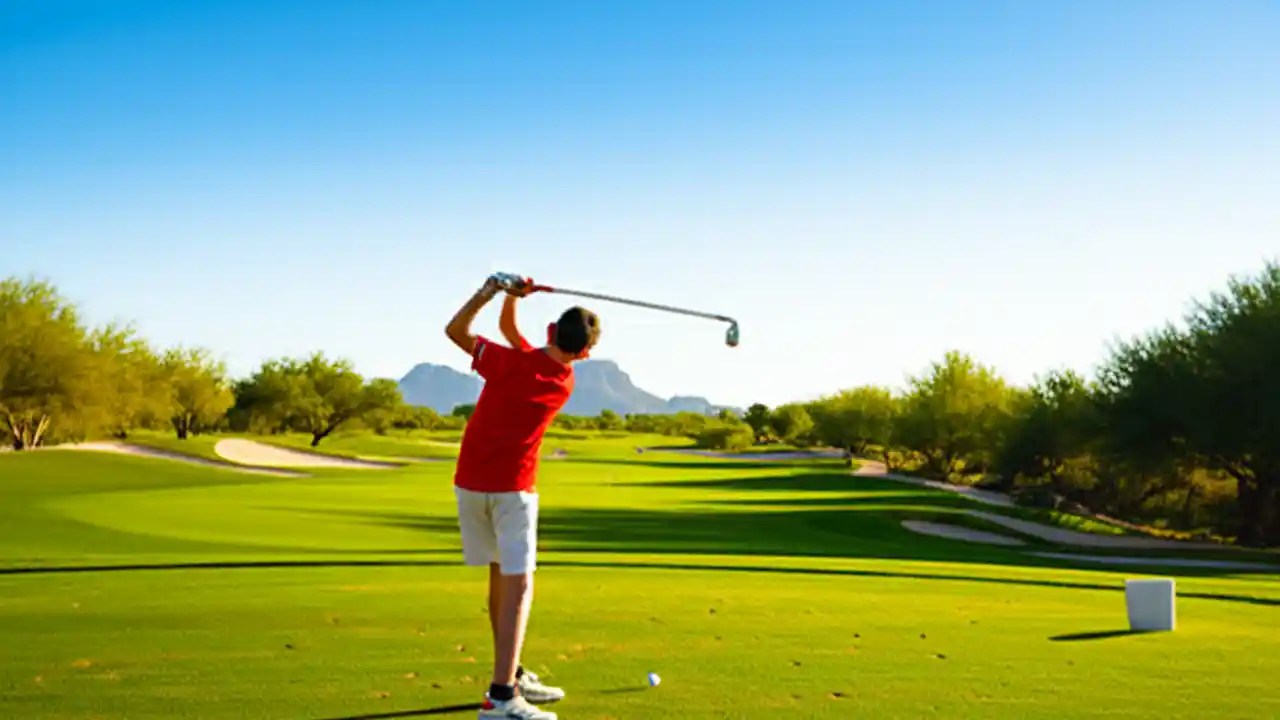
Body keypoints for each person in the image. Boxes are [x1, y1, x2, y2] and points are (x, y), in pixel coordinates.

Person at [444, 274, 601, 720]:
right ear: (585, 353)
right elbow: (516, 339)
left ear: (550, 333)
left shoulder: (506, 362)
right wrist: (510, 297)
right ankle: (500, 695)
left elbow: (461, 332)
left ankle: (510, 675)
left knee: (500, 578)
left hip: (470, 484)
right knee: (518, 585)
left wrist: (495, 292)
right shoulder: (562, 382)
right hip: (512, 492)